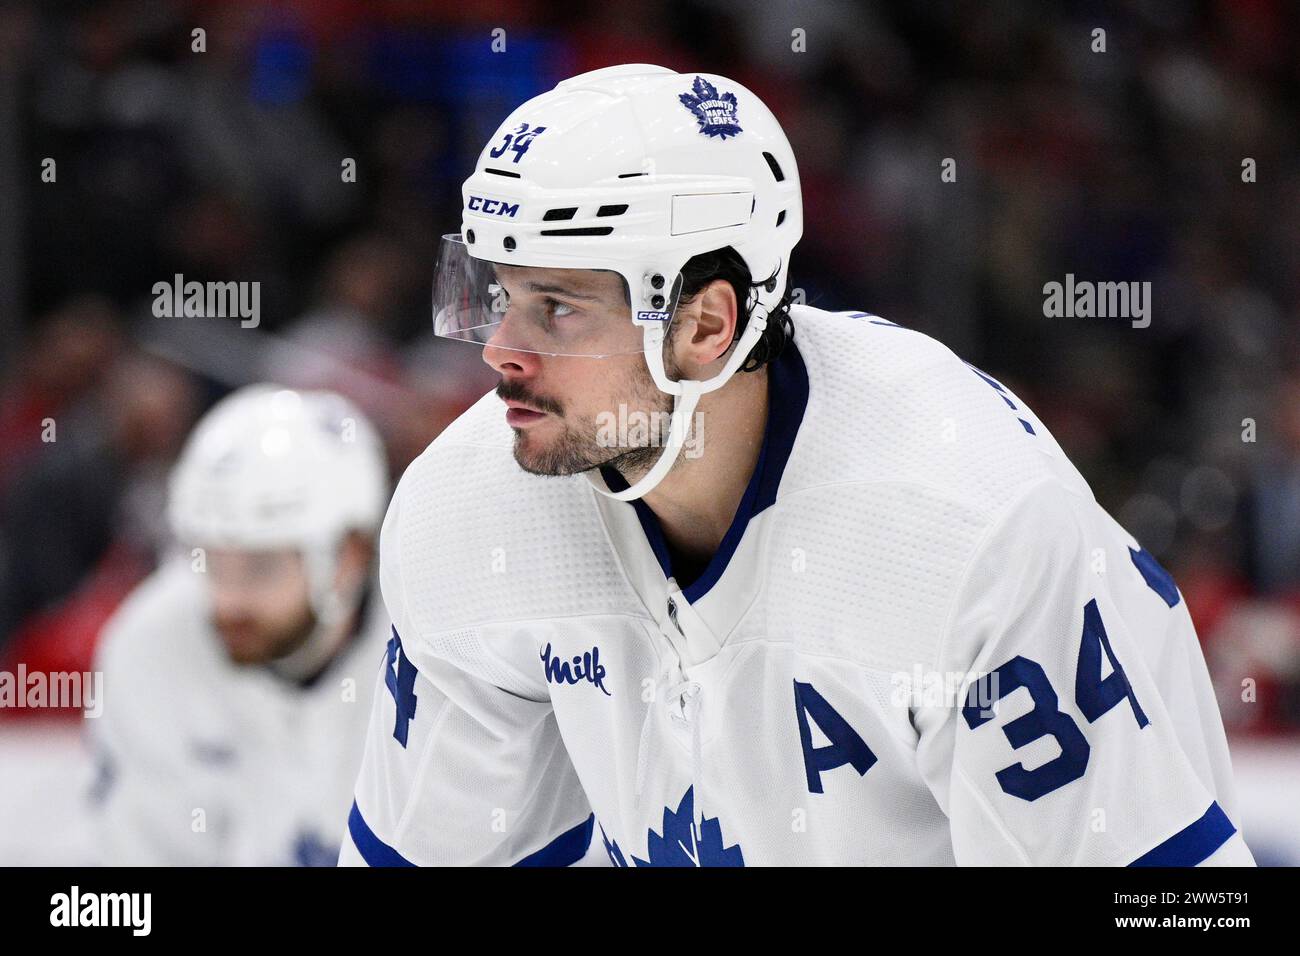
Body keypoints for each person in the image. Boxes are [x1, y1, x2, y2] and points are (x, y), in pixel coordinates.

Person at [343, 64, 1252, 866]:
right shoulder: (467, 509)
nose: (500, 350)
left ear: (705, 326)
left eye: (557, 307)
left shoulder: (960, 523)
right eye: (497, 294)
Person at [91, 385, 390, 865]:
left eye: (259, 566)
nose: (225, 599)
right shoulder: (148, 646)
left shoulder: (435, 650)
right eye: (210, 560)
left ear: (347, 557)